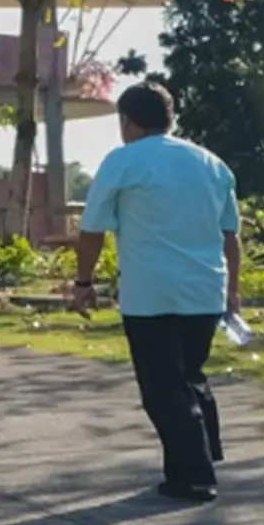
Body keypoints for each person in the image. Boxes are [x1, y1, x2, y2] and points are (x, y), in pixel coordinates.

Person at [68, 80, 241, 503]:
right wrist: (232, 291)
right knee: (189, 374)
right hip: (205, 290)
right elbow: (230, 236)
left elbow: (92, 231)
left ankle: (193, 476)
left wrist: (84, 283)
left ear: (126, 121)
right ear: (170, 117)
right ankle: (205, 453)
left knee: (162, 387)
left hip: (152, 294)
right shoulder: (211, 163)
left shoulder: (124, 162)